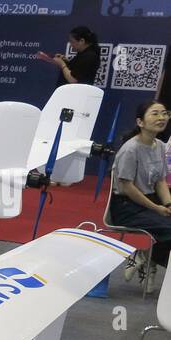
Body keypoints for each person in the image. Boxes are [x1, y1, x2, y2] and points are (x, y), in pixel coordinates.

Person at [109, 100, 171, 273]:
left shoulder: (160, 146)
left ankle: (147, 257)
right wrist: (157, 208)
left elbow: (160, 181)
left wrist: (168, 204)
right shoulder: (130, 149)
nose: (162, 118)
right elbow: (128, 188)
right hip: (127, 207)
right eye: (155, 113)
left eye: (165, 113)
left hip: (151, 202)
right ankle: (147, 258)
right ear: (140, 122)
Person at [36, 25, 101, 86]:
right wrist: (66, 61)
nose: (71, 44)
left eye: (72, 42)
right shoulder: (84, 54)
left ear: (82, 41)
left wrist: (62, 64)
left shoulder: (89, 56)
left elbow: (72, 79)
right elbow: (77, 70)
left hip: (75, 95)